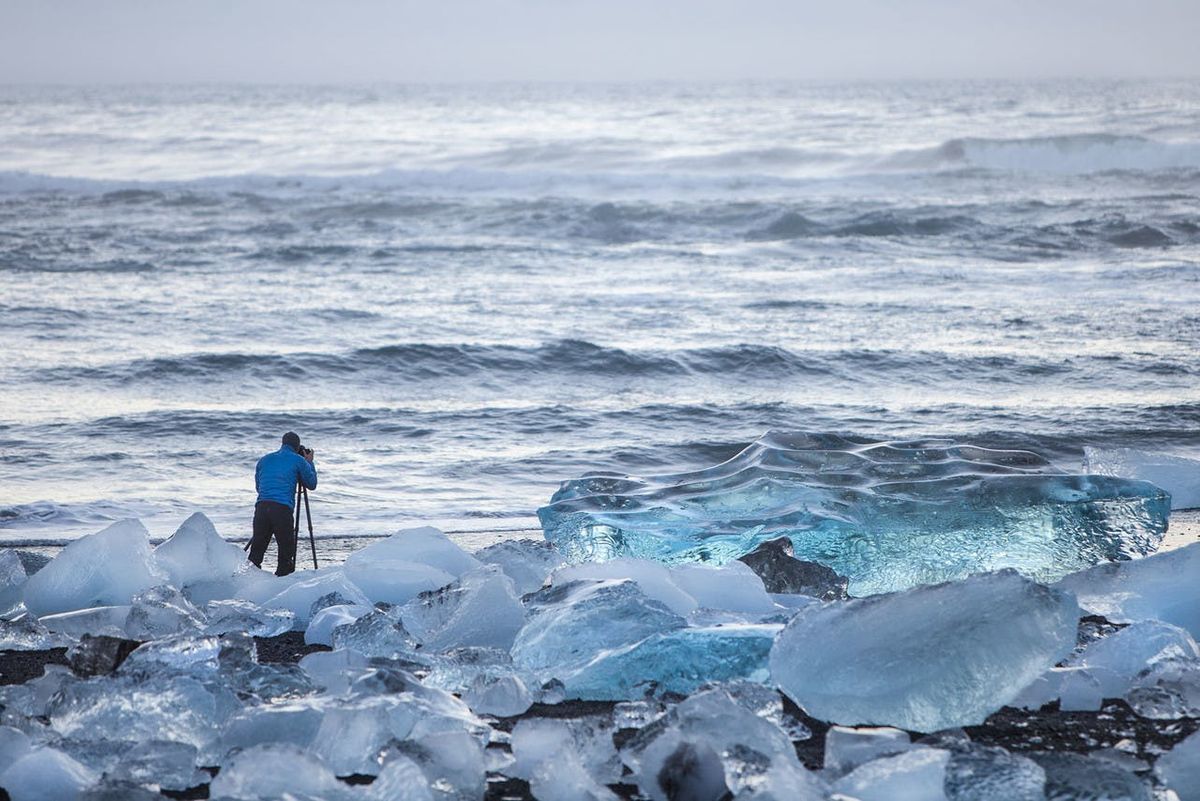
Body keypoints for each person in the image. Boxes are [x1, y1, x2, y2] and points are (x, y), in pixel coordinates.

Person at [248, 431, 318, 577]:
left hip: (261, 507)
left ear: (283, 443)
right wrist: (309, 462)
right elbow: (311, 484)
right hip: (282, 509)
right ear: (297, 446)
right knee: (286, 553)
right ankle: (282, 582)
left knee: (256, 551)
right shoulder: (298, 460)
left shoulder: (264, 460)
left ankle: (248, 580)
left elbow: (259, 487)